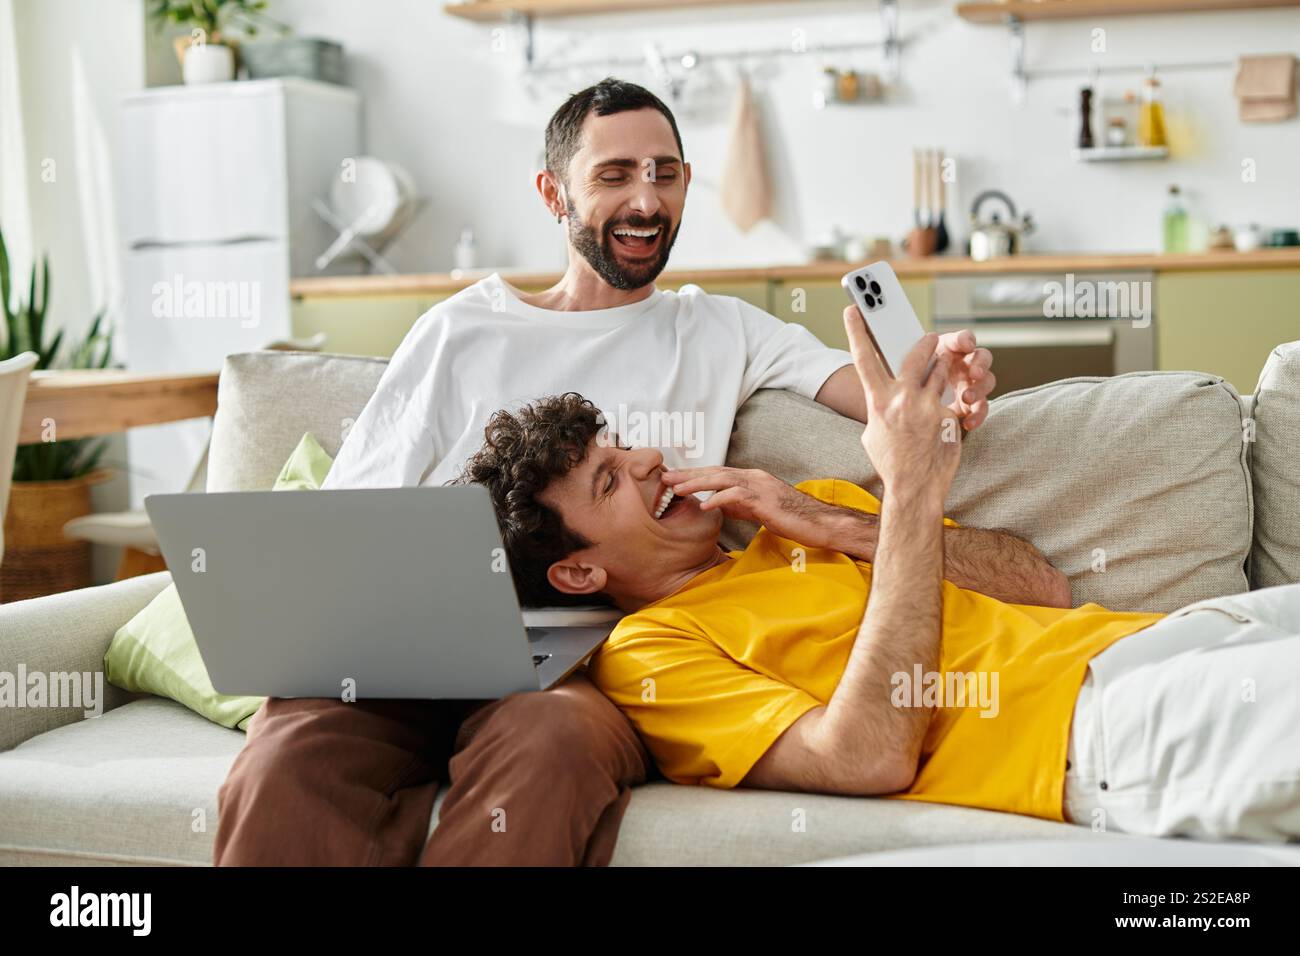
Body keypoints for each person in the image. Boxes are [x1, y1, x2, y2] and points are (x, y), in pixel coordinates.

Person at [214, 76, 998, 866]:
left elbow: (885, 401)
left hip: (587, 670)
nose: (647, 201)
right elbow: (353, 515)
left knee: (547, 745)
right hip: (404, 653)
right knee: (287, 763)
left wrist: (949, 384)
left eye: (665, 173)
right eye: (615, 175)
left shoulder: (720, 327)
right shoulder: (461, 329)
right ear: (553, 192)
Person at [462, 313, 1300, 843]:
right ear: (578, 571)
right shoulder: (651, 654)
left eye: (622, 449)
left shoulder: (815, 512)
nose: (648, 461)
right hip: (1089, 732)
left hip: (1163, 640)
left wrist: (836, 521)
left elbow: (1038, 583)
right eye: (610, 481)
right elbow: (863, 757)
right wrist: (908, 483)